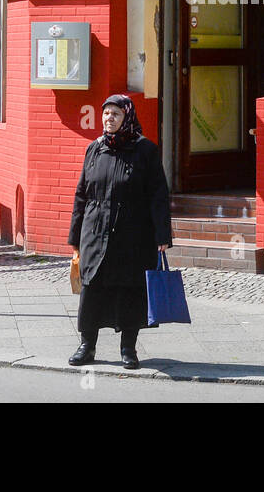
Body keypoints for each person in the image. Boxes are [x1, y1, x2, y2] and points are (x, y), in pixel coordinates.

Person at [67, 95, 172, 370]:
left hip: (133, 233)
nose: (109, 119)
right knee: (92, 289)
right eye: (106, 114)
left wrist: (162, 236)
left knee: (130, 289)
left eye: (115, 114)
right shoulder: (95, 149)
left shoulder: (145, 150)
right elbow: (82, 195)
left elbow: (158, 195)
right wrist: (75, 237)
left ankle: (128, 349)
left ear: (127, 117)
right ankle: (86, 346)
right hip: (95, 231)